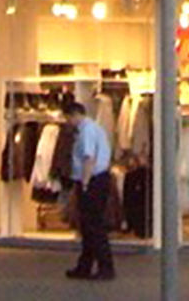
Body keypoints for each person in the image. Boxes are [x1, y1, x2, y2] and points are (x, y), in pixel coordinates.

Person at [60, 95, 115, 281]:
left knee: (94, 226)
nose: (67, 122)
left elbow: (89, 158)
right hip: (95, 179)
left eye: (68, 118)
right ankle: (85, 265)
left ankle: (105, 267)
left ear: (74, 115)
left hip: (93, 181)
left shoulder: (87, 131)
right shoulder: (91, 128)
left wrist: (84, 182)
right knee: (88, 226)